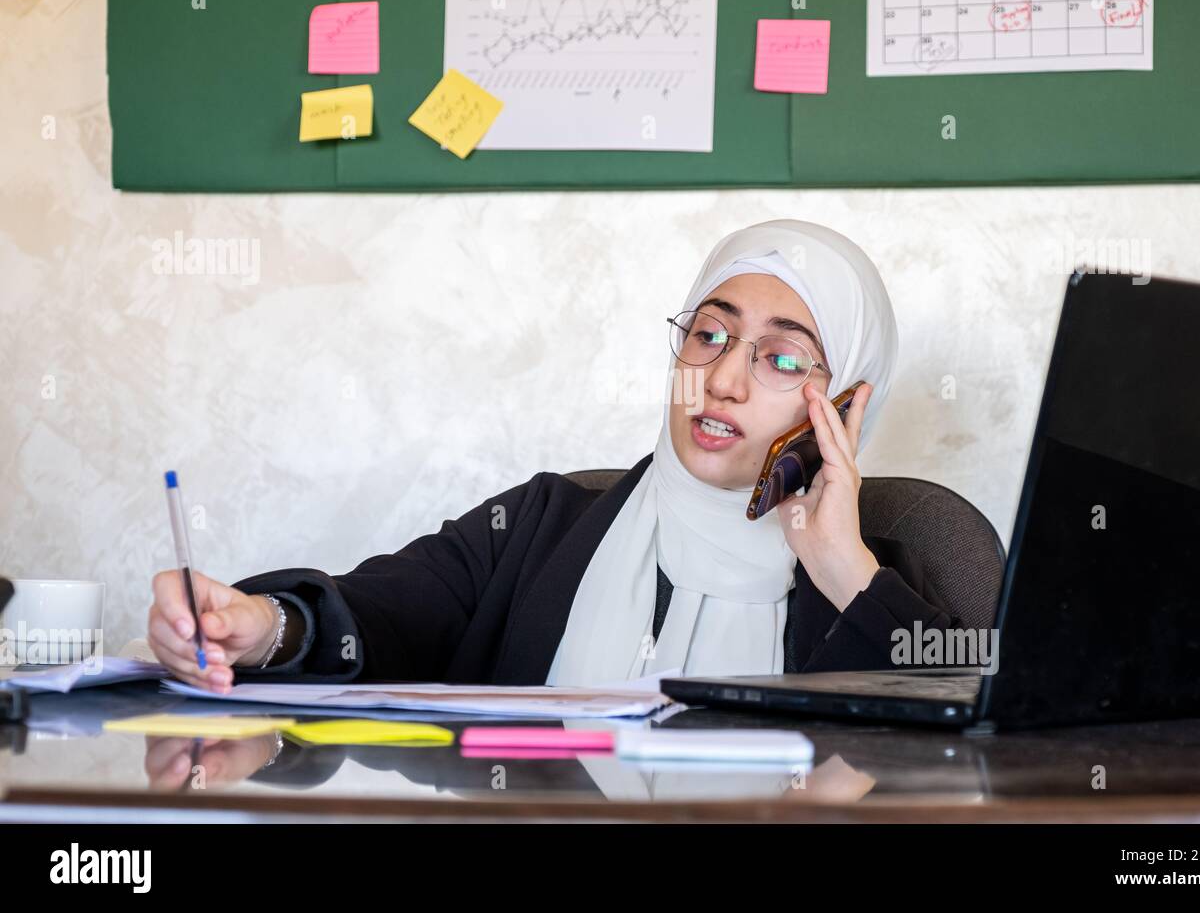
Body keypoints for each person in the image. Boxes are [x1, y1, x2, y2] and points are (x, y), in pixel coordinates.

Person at [146, 219, 957, 694]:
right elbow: (382, 614)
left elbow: (963, 748)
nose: (721, 381)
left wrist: (843, 571)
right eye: (708, 335)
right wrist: (264, 627)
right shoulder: (537, 526)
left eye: (781, 358)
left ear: (846, 406)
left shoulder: (875, 581)